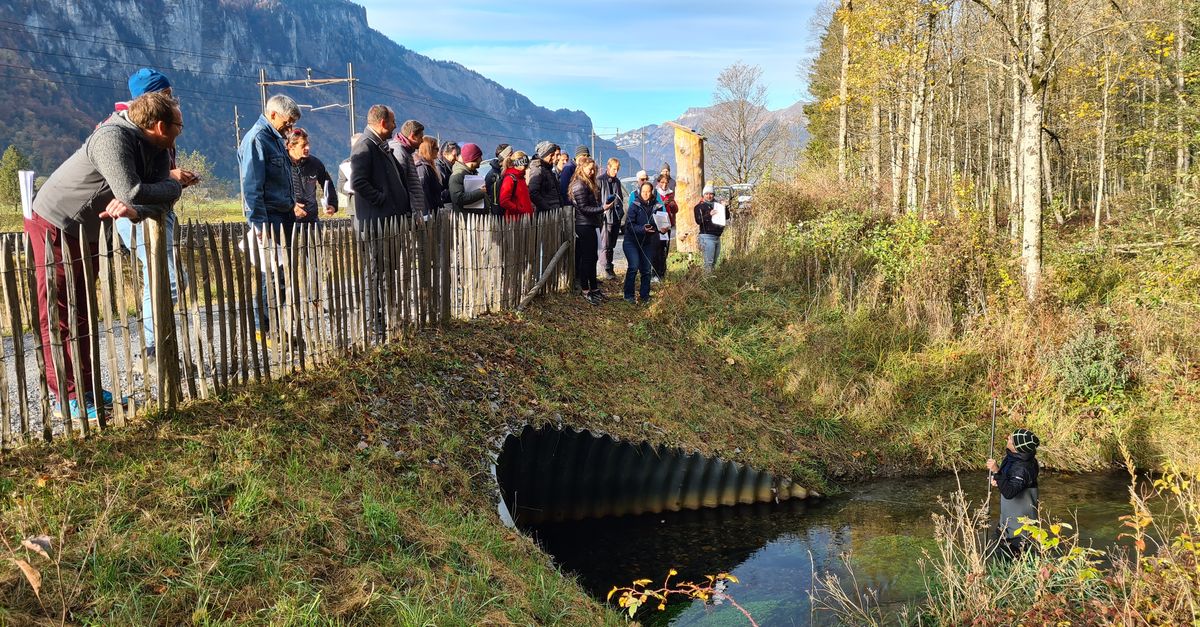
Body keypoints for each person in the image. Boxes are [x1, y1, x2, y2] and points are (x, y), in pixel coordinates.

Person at [29, 91, 191, 419]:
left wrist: (149, 199)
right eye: (179, 126)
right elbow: (132, 191)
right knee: (61, 311)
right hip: (56, 223)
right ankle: (67, 396)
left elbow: (153, 198)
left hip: (87, 229)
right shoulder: (111, 138)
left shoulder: (158, 147)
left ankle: (86, 388)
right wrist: (170, 188)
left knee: (83, 309)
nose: (180, 132)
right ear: (160, 125)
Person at [112, 68, 180, 361]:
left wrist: (173, 180)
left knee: (164, 275)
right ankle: (155, 347)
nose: (172, 98)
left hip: (157, 209)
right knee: (166, 277)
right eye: (166, 94)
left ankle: (158, 341)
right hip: (134, 213)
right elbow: (131, 183)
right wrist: (172, 180)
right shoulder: (127, 132)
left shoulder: (156, 128)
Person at [240, 94, 303, 333]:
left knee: (283, 275)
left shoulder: (276, 139)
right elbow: (252, 184)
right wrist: (258, 224)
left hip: (284, 215)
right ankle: (266, 328)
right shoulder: (257, 139)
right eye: (288, 121)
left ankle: (275, 325)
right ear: (273, 114)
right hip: (270, 219)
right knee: (274, 275)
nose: (291, 127)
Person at [350, 105, 409, 339]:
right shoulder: (365, 145)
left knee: (384, 272)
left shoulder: (377, 145)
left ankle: (383, 317)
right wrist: (382, 199)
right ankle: (374, 324)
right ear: (383, 122)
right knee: (374, 273)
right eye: (393, 122)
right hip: (375, 224)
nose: (395, 126)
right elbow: (359, 182)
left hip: (386, 223)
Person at [987, 428, 1041, 556]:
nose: (1008, 439)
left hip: (1019, 530)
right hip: (1007, 524)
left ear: (1017, 447)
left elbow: (1010, 492)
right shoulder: (1016, 457)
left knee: (1011, 558)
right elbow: (1010, 482)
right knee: (998, 551)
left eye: (1011, 439)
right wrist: (999, 479)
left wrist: (996, 471)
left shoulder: (1023, 467)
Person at [568, 156, 606, 304]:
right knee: (587, 258)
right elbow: (583, 208)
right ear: (582, 168)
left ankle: (594, 288)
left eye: (593, 169)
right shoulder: (579, 185)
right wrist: (602, 208)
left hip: (590, 224)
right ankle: (585, 289)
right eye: (590, 169)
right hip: (584, 225)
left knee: (593, 258)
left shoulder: (587, 183)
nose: (592, 172)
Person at [623, 181, 666, 304]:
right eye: (644, 192)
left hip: (647, 241)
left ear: (652, 192)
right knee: (634, 266)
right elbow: (630, 225)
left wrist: (662, 229)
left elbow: (661, 222)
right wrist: (642, 229)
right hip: (632, 241)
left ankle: (645, 296)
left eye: (648, 192)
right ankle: (628, 295)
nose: (646, 194)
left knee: (646, 269)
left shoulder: (657, 205)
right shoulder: (635, 205)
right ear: (640, 192)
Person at [285, 127, 338, 223]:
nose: (307, 148)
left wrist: (332, 204)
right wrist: (290, 205)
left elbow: (327, 183)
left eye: (308, 144)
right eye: (303, 145)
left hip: (312, 220)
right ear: (290, 146)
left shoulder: (315, 163)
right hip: (288, 221)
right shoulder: (281, 164)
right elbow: (274, 190)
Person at [388, 119, 429, 218]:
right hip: (408, 213)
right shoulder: (399, 152)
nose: (422, 140)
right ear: (412, 136)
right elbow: (400, 185)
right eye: (420, 137)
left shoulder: (406, 151)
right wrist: (412, 212)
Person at [597, 157, 624, 280]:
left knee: (612, 244)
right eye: (614, 169)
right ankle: (605, 267)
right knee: (605, 244)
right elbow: (597, 199)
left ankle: (610, 265)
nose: (616, 171)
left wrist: (620, 211)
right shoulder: (600, 181)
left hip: (616, 216)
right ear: (608, 167)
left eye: (617, 169)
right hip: (605, 217)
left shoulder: (617, 181)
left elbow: (620, 198)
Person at [651, 172, 678, 282]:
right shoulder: (655, 193)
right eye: (662, 182)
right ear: (658, 183)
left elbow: (676, 210)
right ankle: (654, 272)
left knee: (664, 249)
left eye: (666, 183)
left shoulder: (670, 194)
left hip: (667, 225)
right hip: (657, 224)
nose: (664, 185)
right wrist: (662, 203)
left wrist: (672, 205)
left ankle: (662, 272)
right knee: (656, 249)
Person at [694, 184, 725, 272]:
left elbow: (726, 217)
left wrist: (725, 207)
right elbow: (698, 220)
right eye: (706, 194)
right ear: (703, 195)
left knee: (714, 262)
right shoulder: (699, 207)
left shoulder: (717, 205)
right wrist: (709, 215)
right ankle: (707, 281)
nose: (709, 196)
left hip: (717, 236)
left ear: (713, 195)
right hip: (706, 236)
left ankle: (712, 281)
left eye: (711, 194)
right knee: (709, 262)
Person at [449, 142, 486, 213]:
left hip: (475, 218)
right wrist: (480, 192)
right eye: (479, 157)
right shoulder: (457, 175)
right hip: (466, 220)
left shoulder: (472, 172)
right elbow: (458, 198)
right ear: (473, 158)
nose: (481, 160)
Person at [527, 141, 562, 214]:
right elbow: (533, 193)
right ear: (544, 155)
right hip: (546, 216)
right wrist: (547, 209)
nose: (553, 158)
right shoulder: (538, 170)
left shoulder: (548, 169)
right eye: (551, 155)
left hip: (554, 213)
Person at [498, 151, 533, 221]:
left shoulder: (521, 177)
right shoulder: (510, 178)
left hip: (525, 219)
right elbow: (504, 201)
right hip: (516, 220)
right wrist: (519, 209)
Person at [415, 136, 443, 218]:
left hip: (434, 212)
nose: (438, 151)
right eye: (436, 148)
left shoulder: (430, 166)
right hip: (428, 214)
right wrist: (426, 214)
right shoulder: (422, 167)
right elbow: (423, 192)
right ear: (428, 149)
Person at [337, 132, 363, 214]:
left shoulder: (374, 161)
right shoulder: (345, 164)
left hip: (372, 206)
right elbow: (340, 186)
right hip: (353, 208)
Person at [484, 144, 511, 215]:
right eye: (511, 155)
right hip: (498, 214)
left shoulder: (505, 172)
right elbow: (494, 198)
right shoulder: (494, 175)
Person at [435, 141, 458, 206]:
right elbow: (440, 192)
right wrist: (456, 190)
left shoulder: (452, 166)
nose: (456, 158)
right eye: (454, 155)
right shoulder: (439, 168)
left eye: (457, 155)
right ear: (445, 154)